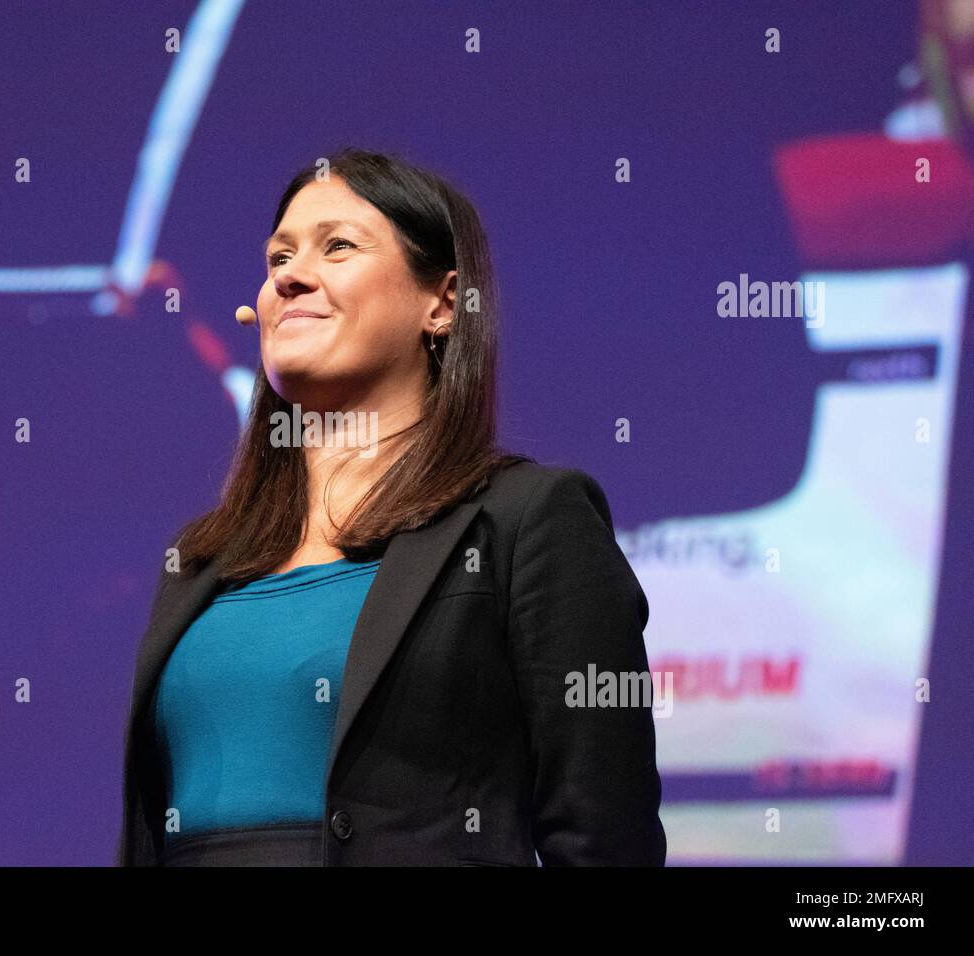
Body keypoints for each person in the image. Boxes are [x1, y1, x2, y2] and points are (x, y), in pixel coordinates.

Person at [117, 147, 667, 866]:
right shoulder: (200, 561)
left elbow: (604, 838)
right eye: (278, 255)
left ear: (442, 303)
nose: (289, 274)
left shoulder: (525, 520)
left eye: (337, 246)